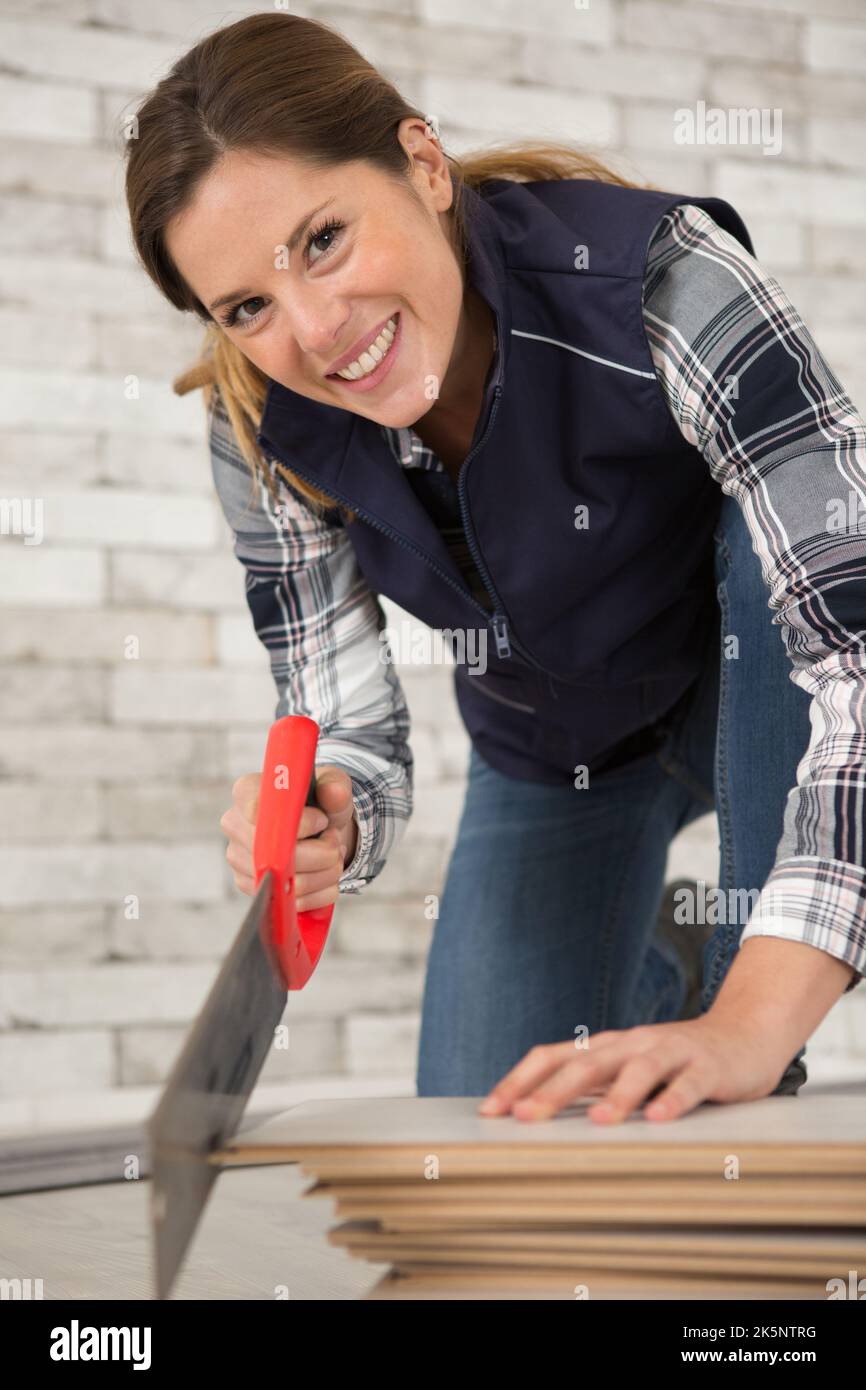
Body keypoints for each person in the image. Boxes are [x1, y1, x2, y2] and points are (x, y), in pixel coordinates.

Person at [124, 12, 864, 1125]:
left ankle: (718, 992)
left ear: (421, 165)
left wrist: (746, 1018)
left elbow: (851, 640)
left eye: (321, 239)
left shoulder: (666, 287)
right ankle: (649, 965)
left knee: (728, 1077)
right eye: (247, 306)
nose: (317, 329)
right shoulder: (258, 426)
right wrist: (335, 818)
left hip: (758, 681)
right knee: (490, 1123)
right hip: (556, 746)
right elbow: (347, 729)